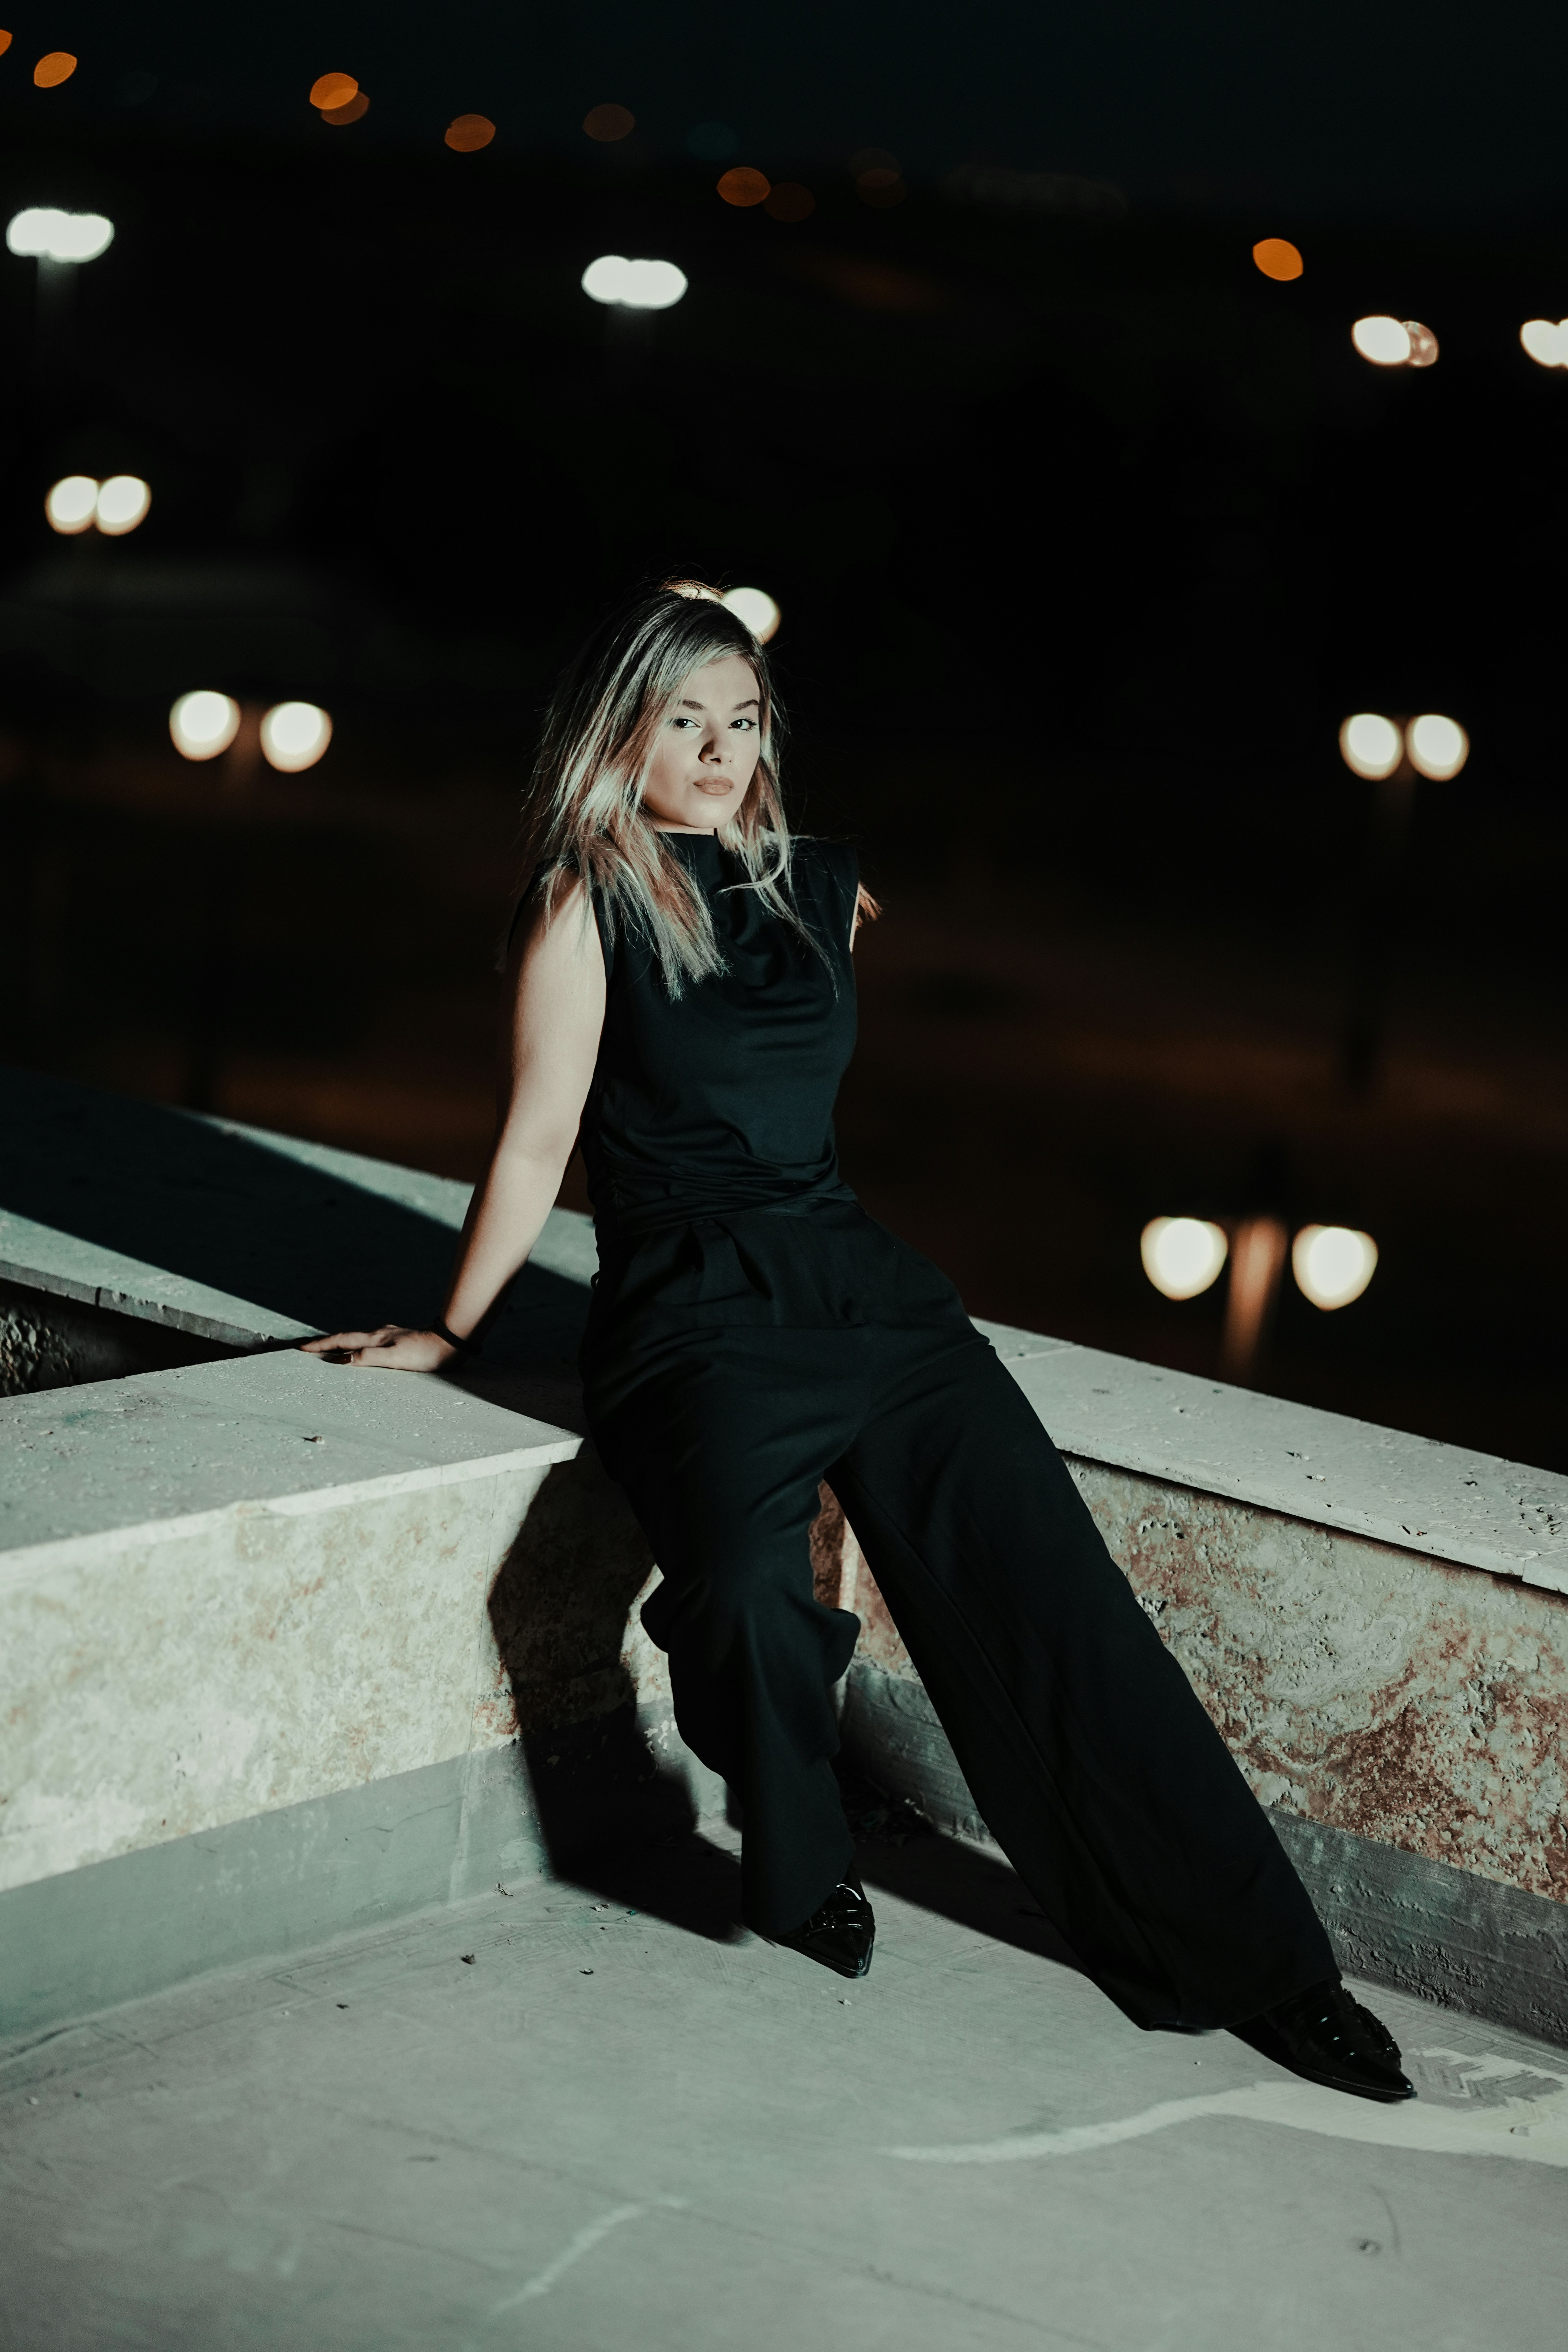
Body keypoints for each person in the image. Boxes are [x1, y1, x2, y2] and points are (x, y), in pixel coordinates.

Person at [305, 580, 1414, 2106]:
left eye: (741, 722)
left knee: (1060, 1605)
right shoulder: (588, 899)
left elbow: (786, 1096)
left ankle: (1268, 1973)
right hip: (691, 1307)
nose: (715, 753)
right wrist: (450, 1329)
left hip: (865, 1286)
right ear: (617, 734)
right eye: (681, 721)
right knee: (751, 1594)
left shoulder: (825, 886)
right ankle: (799, 1854)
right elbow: (537, 1137)